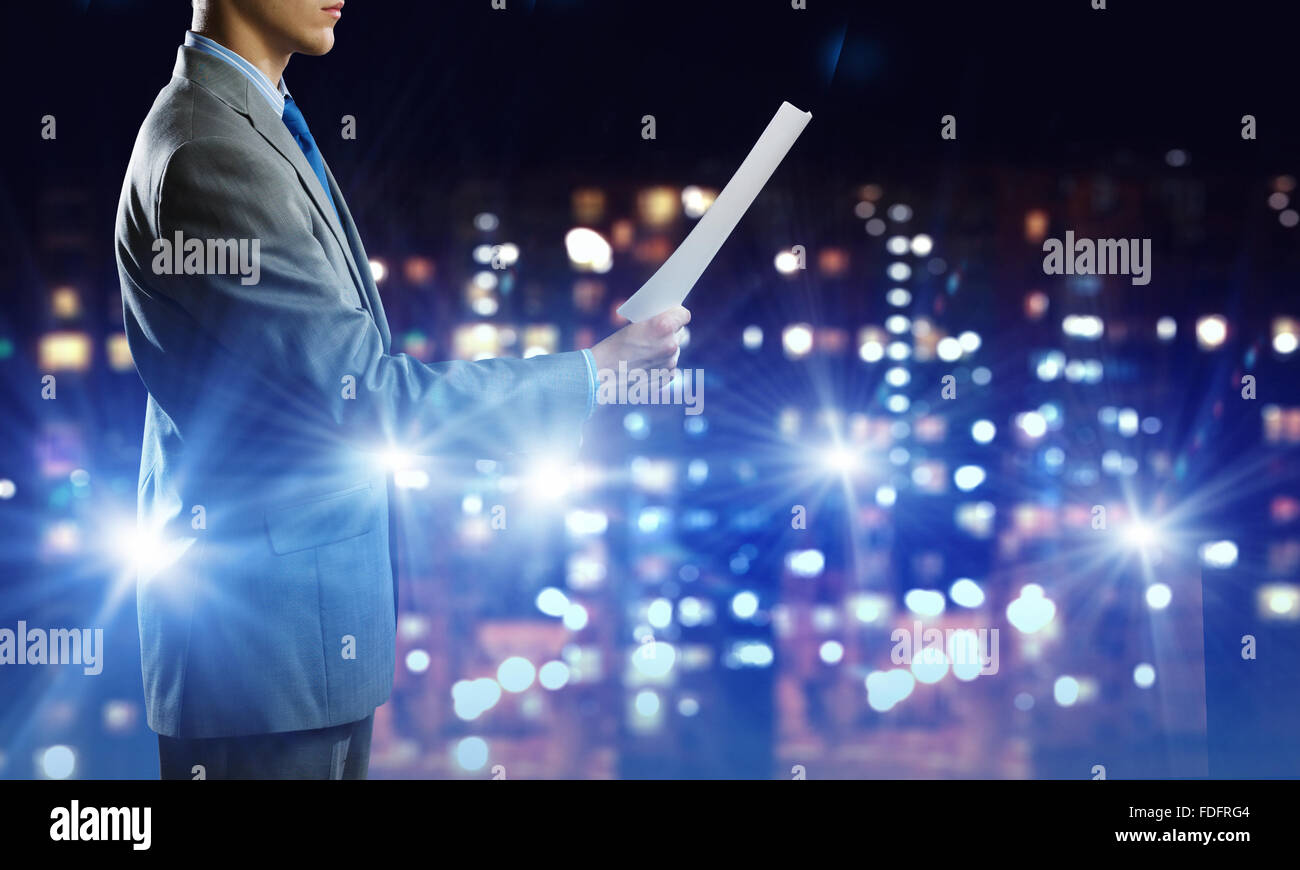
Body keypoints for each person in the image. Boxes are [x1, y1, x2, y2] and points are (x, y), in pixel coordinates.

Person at [114, 0, 688, 779]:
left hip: (288, 655)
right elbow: (365, 400)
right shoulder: (213, 151)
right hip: (265, 662)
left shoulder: (247, 122)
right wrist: (595, 375)